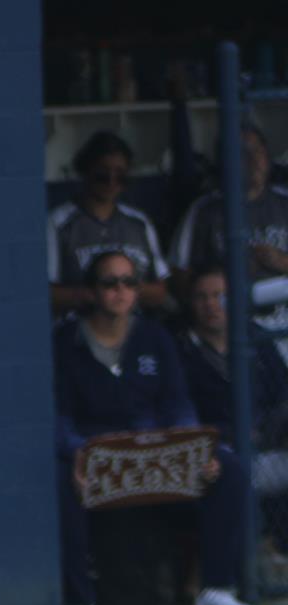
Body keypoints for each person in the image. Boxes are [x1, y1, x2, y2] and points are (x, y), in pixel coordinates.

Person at [53, 249, 253, 605]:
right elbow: (59, 416)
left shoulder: (154, 338)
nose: (120, 291)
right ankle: (81, 602)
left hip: (154, 455)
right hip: (95, 456)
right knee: (60, 481)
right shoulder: (67, 342)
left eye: (129, 282)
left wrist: (191, 449)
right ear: (92, 292)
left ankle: (215, 591)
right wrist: (78, 452)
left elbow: (177, 404)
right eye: (110, 283)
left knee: (229, 470)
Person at [176, 262, 288, 553]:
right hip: (216, 455)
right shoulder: (179, 348)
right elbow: (180, 411)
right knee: (233, 471)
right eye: (202, 297)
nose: (211, 304)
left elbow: (283, 396)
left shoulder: (256, 337)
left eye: (219, 295)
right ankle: (255, 559)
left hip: (268, 445)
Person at [171, 122, 288, 358]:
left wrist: (282, 262)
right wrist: (221, 275)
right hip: (230, 329)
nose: (253, 161)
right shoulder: (205, 211)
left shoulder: (284, 202)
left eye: (258, 152)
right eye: (242, 154)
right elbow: (178, 277)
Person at [48, 131, 172, 317]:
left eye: (120, 176)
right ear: (86, 171)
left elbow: (160, 292)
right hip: (78, 329)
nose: (111, 182)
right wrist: (98, 294)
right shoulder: (58, 223)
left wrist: (120, 291)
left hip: (134, 328)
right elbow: (47, 294)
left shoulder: (139, 222)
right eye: (102, 175)